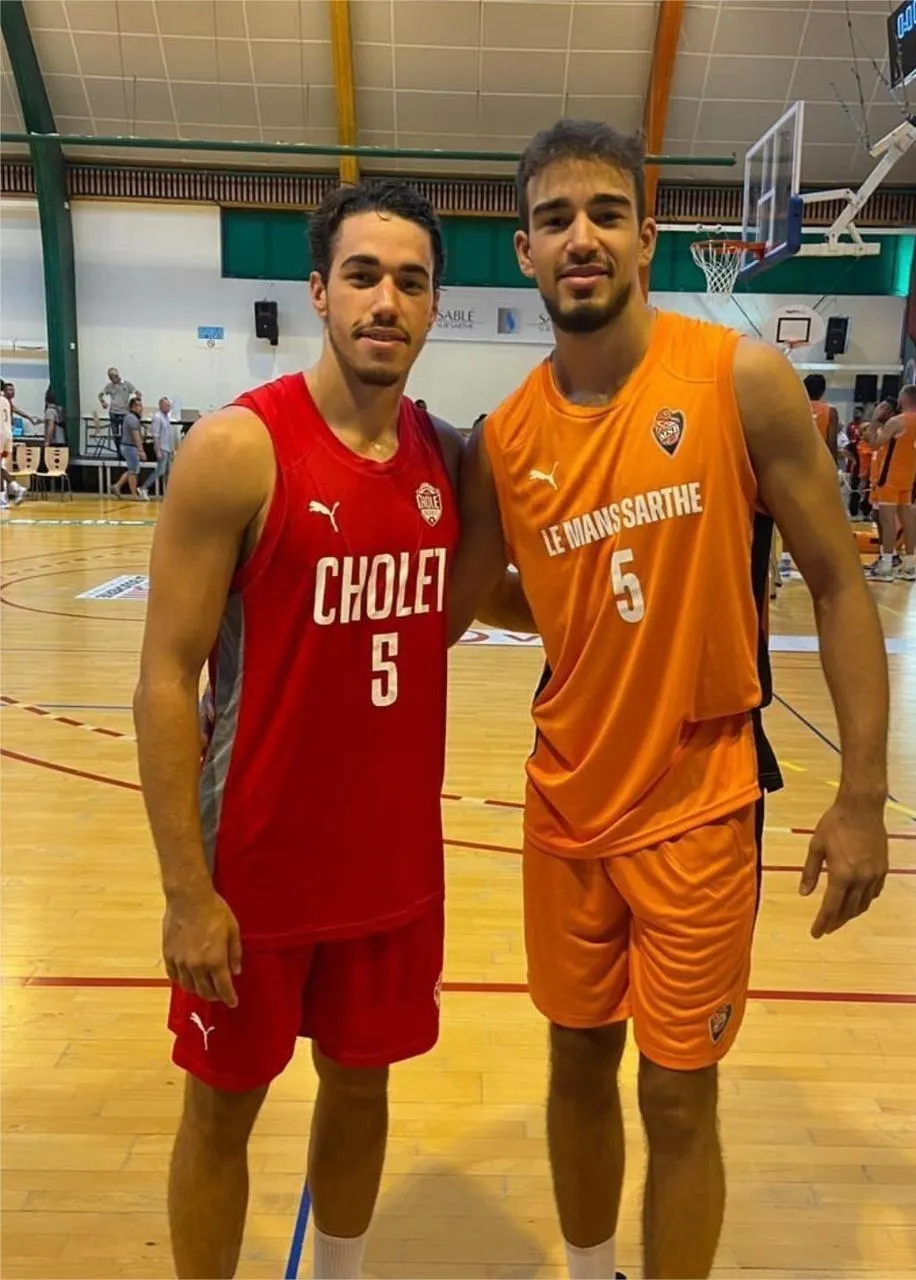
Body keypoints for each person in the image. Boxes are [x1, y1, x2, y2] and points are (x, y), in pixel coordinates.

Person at [449, 119, 890, 1280]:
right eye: (554, 219)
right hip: (566, 804)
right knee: (574, 1064)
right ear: (525, 252)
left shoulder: (736, 377)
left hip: (700, 805)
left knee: (679, 1098)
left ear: (647, 235)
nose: (579, 237)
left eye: (602, 212)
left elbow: (842, 584)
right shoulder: (504, 437)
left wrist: (862, 794)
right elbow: (479, 591)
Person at [134, 179, 525, 1280]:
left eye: (410, 280)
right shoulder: (238, 450)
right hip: (252, 869)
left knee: (364, 1087)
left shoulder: (449, 462)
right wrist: (184, 891)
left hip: (392, 867)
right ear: (317, 291)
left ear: (435, 304)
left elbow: (468, 607)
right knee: (222, 1108)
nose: (384, 300)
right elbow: (164, 679)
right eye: (361, 275)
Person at [865, 386, 916, 582]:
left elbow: (874, 444)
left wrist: (874, 420)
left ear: (904, 397)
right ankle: (909, 566)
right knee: (907, 520)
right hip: (908, 476)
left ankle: (885, 566)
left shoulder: (896, 421)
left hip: (889, 477)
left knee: (887, 521)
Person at [111, 395, 148, 499]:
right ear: (132, 408)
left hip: (128, 447)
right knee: (133, 471)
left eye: (141, 405)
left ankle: (117, 486)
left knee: (132, 469)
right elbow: (136, 436)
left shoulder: (132, 418)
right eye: (137, 406)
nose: (140, 408)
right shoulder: (132, 419)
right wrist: (141, 451)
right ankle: (134, 494)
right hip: (129, 447)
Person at [99, 367, 138, 461]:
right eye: (110, 377)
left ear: (117, 375)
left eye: (113, 376)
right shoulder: (109, 386)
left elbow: (137, 393)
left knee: (126, 434)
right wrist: (103, 401)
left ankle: (126, 453)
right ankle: (119, 453)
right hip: (113, 412)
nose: (112, 379)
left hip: (125, 412)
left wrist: (133, 404)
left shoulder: (127, 384)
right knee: (116, 434)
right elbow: (101, 394)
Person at [141, 396, 174, 496]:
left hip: (167, 448)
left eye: (169, 405)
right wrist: (158, 450)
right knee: (160, 470)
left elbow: (168, 434)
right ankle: (144, 487)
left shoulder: (166, 417)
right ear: (160, 405)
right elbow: (156, 435)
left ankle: (168, 493)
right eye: (166, 405)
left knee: (168, 472)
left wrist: (171, 449)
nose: (168, 407)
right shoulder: (157, 417)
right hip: (162, 448)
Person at [804, 373, 840, 463]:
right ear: (823, 390)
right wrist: (834, 465)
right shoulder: (831, 411)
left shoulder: (797, 408)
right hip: (820, 459)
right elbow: (831, 442)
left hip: (801, 458)